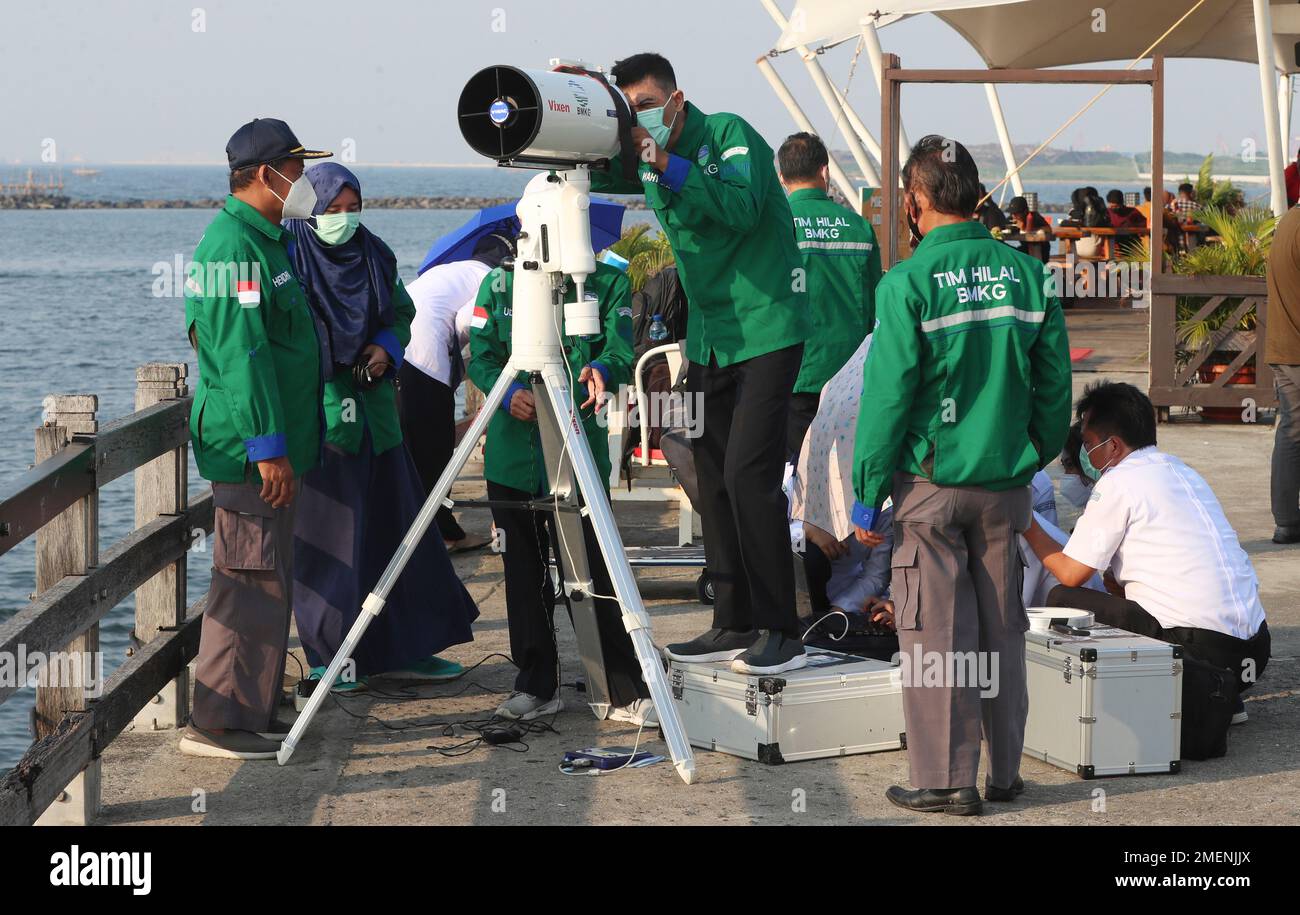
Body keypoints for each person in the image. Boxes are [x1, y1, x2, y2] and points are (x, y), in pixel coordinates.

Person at [851, 135, 1072, 815]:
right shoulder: (1030, 278)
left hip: (932, 488)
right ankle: (1005, 774)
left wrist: (866, 492)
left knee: (938, 636)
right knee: (1002, 629)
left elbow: (886, 397)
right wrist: (1025, 453)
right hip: (1006, 486)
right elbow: (1055, 390)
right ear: (975, 198)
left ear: (914, 203)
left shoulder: (908, 284)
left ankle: (946, 779)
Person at [591, 52, 812, 674]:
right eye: (628, 108)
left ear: (676, 100)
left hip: (767, 328)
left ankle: (780, 627)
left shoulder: (730, 135)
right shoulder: (642, 158)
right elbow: (595, 172)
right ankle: (732, 618)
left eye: (644, 105)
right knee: (704, 463)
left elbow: (741, 210)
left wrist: (665, 161)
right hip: (712, 337)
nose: (639, 119)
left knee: (748, 473)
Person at [284, 163, 478, 693]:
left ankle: (409, 648)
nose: (344, 221)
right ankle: (334, 657)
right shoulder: (291, 257)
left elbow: (399, 312)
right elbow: (290, 333)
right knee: (330, 541)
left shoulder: (374, 253)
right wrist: (339, 358)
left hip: (378, 416)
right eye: (332, 211)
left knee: (401, 534)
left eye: (353, 209)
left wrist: (385, 348)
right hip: (326, 421)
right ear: (309, 212)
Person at [179, 118, 331, 760]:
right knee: (248, 577)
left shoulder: (268, 241)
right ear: (267, 174)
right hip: (250, 453)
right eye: (296, 168)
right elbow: (241, 355)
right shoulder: (232, 248)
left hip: (275, 449)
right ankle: (216, 723)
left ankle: (253, 708)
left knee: (270, 579)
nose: (304, 181)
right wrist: (268, 447)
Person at [468, 248, 655, 725]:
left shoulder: (610, 282)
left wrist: (604, 371)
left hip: (575, 450)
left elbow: (618, 347)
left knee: (593, 571)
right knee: (522, 576)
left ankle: (620, 686)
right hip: (512, 458)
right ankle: (535, 684)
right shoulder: (499, 283)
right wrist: (508, 392)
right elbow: (480, 356)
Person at [1022, 382, 1271, 722]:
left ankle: (1167, 696)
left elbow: (1070, 572)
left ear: (1112, 446)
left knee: (1061, 597)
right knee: (1114, 587)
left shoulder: (1118, 482)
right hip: (1255, 653)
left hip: (1200, 653)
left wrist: (1025, 520)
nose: (1085, 453)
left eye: (1089, 443)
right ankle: (1220, 695)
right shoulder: (1183, 471)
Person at [399, 230, 517, 552]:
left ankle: (416, 534)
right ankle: (447, 536)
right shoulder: (490, 278)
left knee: (410, 451)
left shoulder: (448, 270)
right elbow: (468, 321)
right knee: (436, 456)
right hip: (425, 362)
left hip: (396, 355)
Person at [777, 131, 880, 460]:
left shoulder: (775, 228)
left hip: (791, 371)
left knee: (794, 473)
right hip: (848, 376)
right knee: (841, 473)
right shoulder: (859, 228)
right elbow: (874, 307)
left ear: (781, 177)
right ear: (825, 172)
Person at [1267, 202, 1300, 544]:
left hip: (1284, 343)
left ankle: (1288, 520)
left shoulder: (1289, 221)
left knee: (1291, 434)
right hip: (1296, 347)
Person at [1007, 196, 1053, 264]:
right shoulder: (1013, 218)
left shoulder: (1034, 217)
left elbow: (1049, 229)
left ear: (1025, 211)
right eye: (1012, 213)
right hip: (1025, 248)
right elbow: (1003, 225)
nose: (1013, 215)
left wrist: (1027, 229)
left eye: (1016, 213)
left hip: (1040, 251)